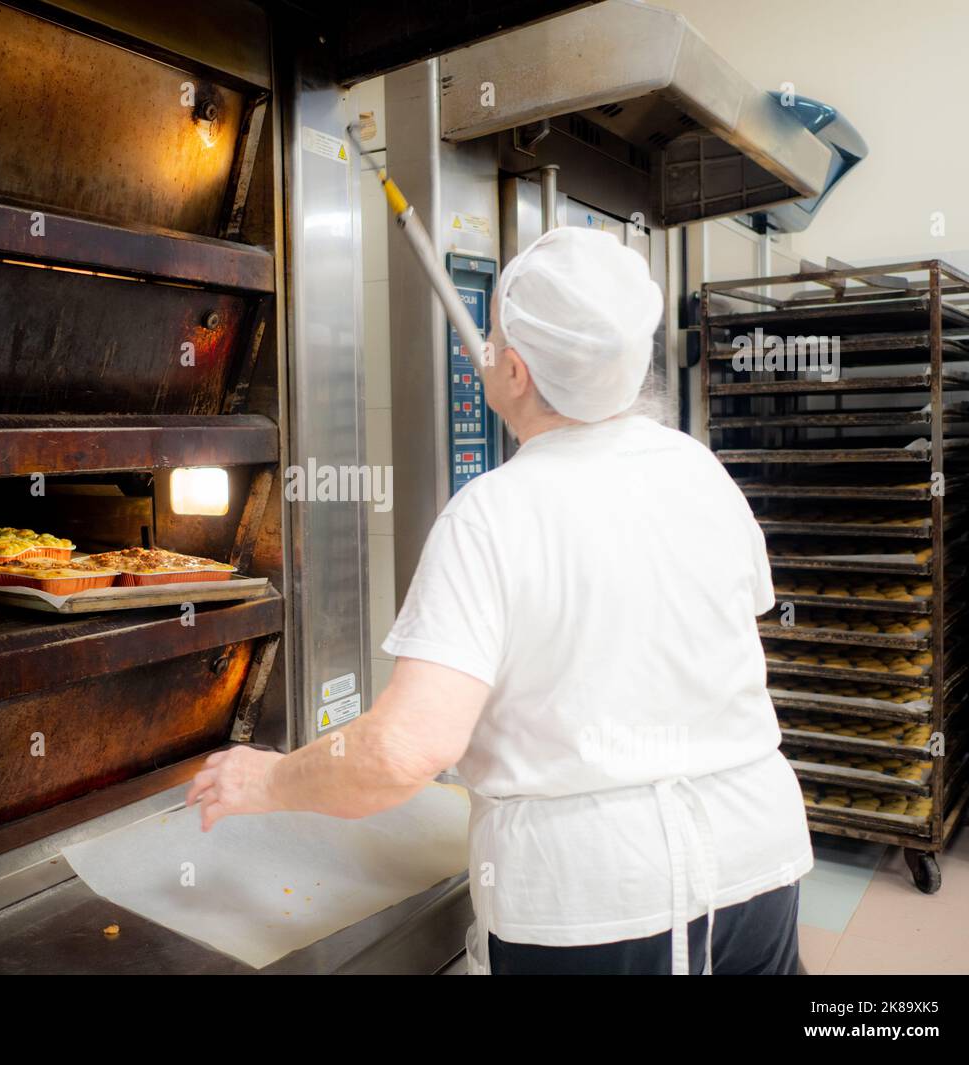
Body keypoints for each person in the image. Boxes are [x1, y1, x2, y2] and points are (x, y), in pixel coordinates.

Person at [186, 226, 812, 975]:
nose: (481, 351)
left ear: (514, 371)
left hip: (594, 904)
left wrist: (270, 778)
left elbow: (403, 749)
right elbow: (705, 652)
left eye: (490, 339)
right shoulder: (701, 473)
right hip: (757, 859)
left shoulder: (493, 513)